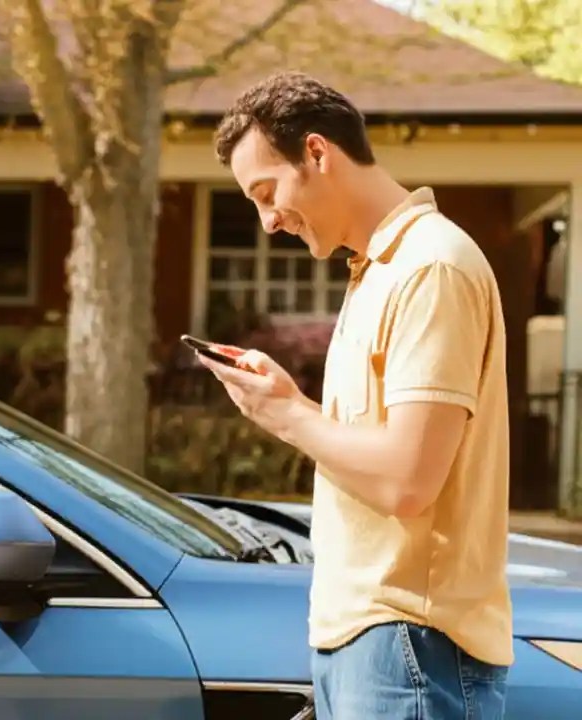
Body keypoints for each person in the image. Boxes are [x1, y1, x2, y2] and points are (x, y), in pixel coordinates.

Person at [207, 71, 512, 719]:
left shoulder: (430, 267)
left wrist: (287, 417)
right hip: (374, 640)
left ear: (317, 153)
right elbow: (384, 453)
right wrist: (294, 402)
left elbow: (407, 482)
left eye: (267, 192)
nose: (266, 222)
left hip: (410, 642)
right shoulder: (379, 270)